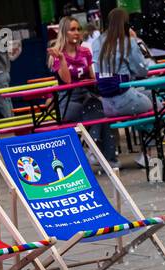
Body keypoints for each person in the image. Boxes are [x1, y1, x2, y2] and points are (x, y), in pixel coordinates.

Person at [47, 16, 117, 166]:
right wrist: (62, 59)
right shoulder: (57, 54)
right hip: (67, 101)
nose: (77, 32)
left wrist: (96, 79)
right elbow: (66, 81)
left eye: (78, 29)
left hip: (85, 95)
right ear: (64, 32)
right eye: (72, 30)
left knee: (105, 112)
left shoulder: (85, 51)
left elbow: (92, 77)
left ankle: (107, 157)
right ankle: (98, 154)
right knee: (97, 110)